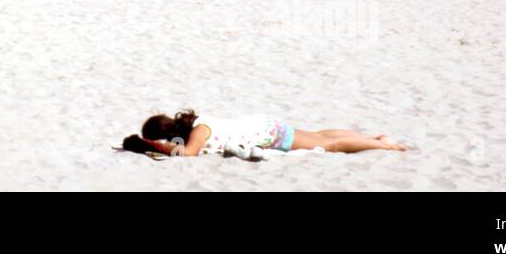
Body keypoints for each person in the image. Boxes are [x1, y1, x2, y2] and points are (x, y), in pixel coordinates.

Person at [121, 109, 406, 156]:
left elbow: (190, 153)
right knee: (320, 135)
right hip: (263, 125)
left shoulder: (198, 133)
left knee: (327, 145)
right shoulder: (198, 124)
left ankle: (384, 146)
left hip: (267, 133)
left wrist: (147, 146)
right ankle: (374, 138)